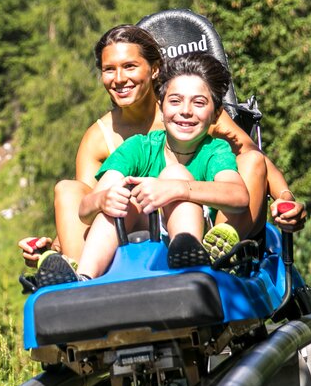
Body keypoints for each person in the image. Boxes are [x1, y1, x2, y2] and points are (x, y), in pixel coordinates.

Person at [21, 25, 306, 269]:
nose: (119, 79)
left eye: (129, 66)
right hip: (133, 227)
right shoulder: (99, 137)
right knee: (67, 189)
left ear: (155, 69)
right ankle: (76, 271)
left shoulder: (190, 112)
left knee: (248, 161)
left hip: (204, 214)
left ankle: (218, 251)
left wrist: (285, 198)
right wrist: (54, 246)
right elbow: (88, 207)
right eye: (109, 70)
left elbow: (256, 161)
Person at [32, 53, 252, 287]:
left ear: (216, 113)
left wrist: (178, 189)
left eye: (198, 103)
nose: (186, 111)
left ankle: (189, 263)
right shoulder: (138, 147)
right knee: (120, 199)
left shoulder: (215, 150)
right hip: (134, 241)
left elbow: (239, 196)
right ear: (161, 106)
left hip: (193, 238)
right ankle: (84, 277)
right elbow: (85, 210)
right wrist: (103, 200)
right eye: (175, 101)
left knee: (174, 174)